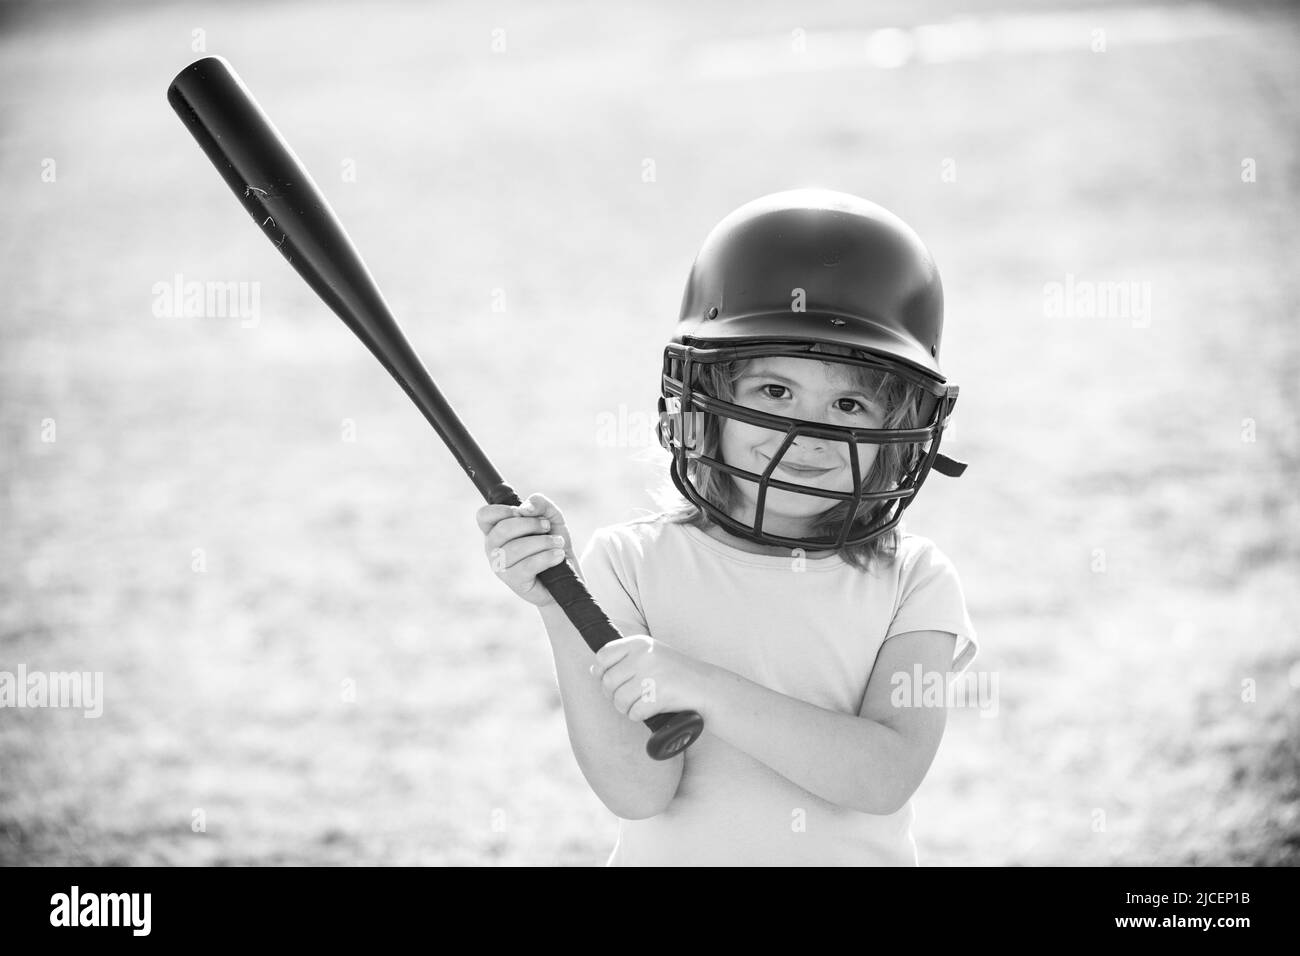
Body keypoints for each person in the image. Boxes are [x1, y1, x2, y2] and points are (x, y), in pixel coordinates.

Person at [476, 189, 978, 865]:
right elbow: (637, 790)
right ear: (705, 399)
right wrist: (562, 605)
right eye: (774, 392)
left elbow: (882, 776)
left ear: (900, 430)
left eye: (850, 402)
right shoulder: (629, 563)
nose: (809, 431)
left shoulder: (915, 580)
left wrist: (699, 685)